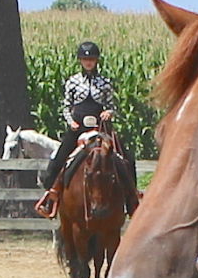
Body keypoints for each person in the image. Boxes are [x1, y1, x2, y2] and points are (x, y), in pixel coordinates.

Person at [35, 41, 139, 218]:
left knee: (126, 157)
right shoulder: (73, 81)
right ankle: (51, 196)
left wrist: (109, 112)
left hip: (101, 127)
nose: (88, 62)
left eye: (91, 59)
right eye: (85, 59)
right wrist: (70, 122)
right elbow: (66, 106)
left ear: (96, 60)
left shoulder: (105, 82)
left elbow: (112, 105)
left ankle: (132, 199)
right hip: (78, 127)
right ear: (80, 61)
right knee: (60, 157)